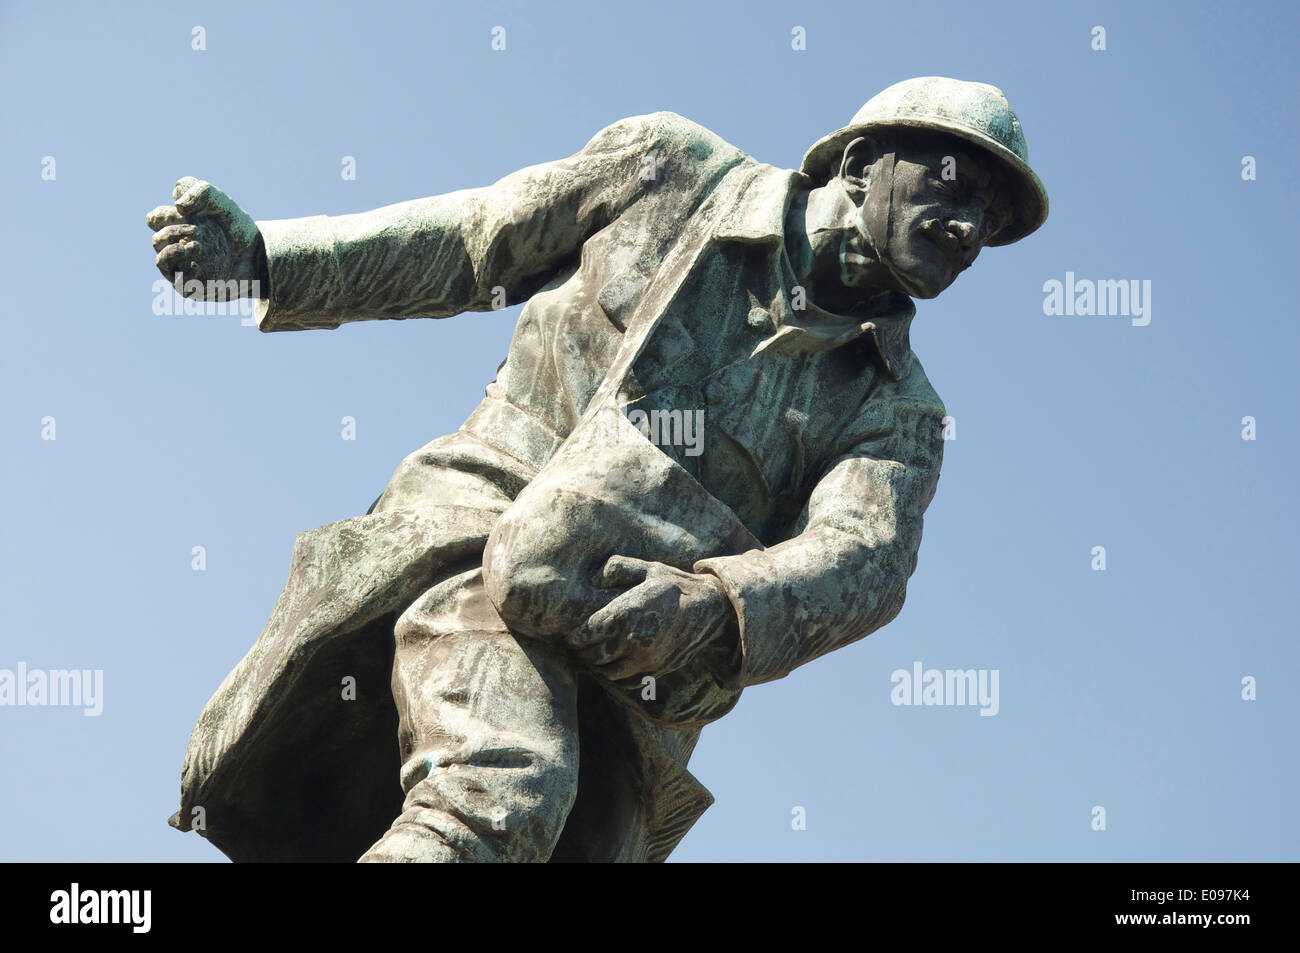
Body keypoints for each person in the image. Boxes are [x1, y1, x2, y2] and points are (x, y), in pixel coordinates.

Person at [149, 76, 1048, 862]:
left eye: (992, 221)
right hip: (482, 536)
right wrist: (268, 260)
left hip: (640, 670)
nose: (969, 226)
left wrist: (721, 605)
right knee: (500, 790)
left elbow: (865, 557)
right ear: (860, 164)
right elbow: (474, 241)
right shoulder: (671, 171)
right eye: (954, 182)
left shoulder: (898, 411)